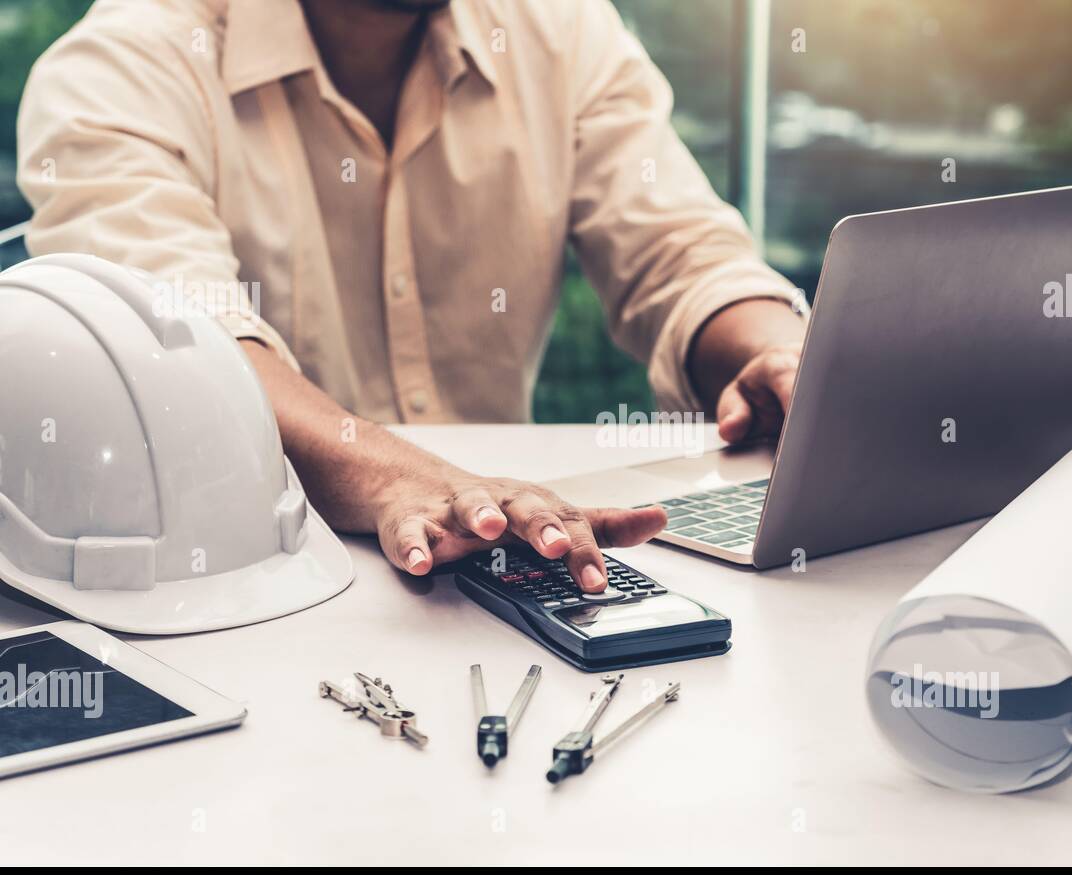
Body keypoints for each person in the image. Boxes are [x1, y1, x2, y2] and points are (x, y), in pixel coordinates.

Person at [16, 0, 806, 592]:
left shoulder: (558, 27)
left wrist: (780, 357)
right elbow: (189, 358)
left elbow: (683, 253)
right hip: (246, 594)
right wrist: (405, 479)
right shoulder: (119, 71)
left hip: (510, 568)